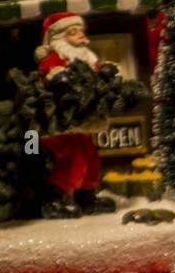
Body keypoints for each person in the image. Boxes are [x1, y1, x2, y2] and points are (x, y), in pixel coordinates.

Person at [35, 12, 118, 218]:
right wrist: (59, 79)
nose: (80, 35)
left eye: (80, 31)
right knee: (73, 158)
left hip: (84, 122)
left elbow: (95, 77)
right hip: (63, 123)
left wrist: (105, 72)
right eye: (73, 32)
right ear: (59, 38)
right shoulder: (56, 58)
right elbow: (49, 73)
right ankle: (58, 199)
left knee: (90, 156)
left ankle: (87, 197)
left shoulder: (86, 58)